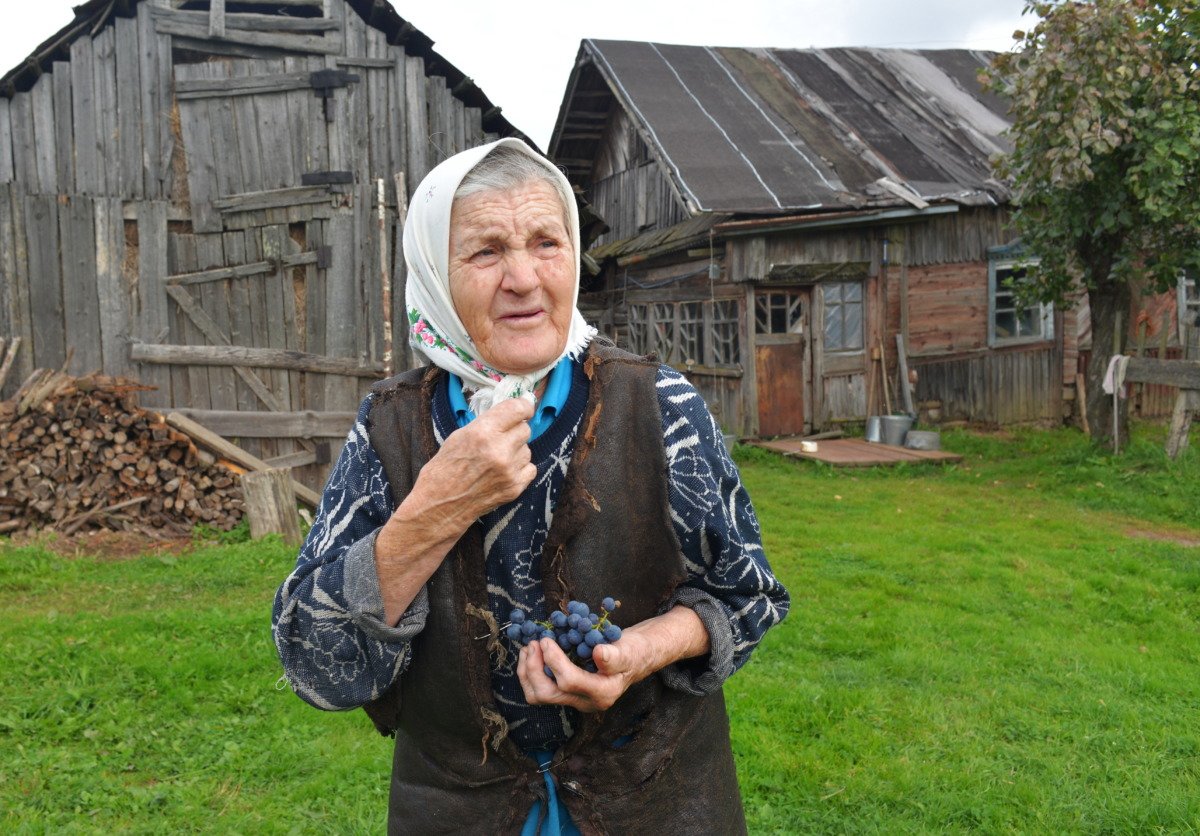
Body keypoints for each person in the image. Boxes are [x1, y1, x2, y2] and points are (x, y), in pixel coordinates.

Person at [271, 138, 789, 835]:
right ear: (433, 268)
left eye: (546, 241)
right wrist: (435, 507)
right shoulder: (390, 427)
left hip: (656, 805)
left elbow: (745, 593)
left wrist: (639, 652)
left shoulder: (658, 404)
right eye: (486, 252)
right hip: (457, 812)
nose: (523, 277)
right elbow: (315, 661)